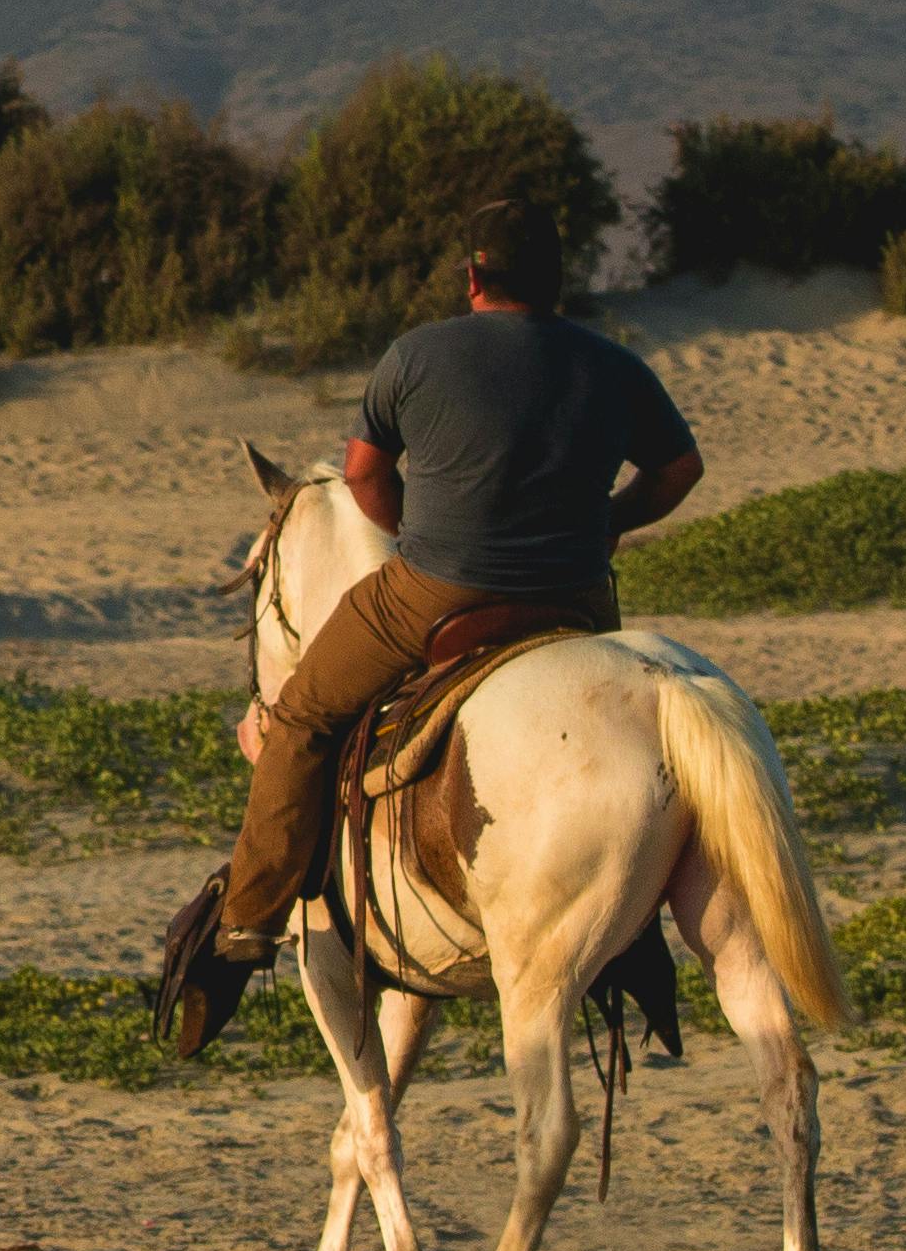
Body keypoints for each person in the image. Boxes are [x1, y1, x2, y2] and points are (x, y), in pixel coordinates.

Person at [160, 196, 704, 1059]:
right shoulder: (612, 364)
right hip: (575, 602)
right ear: (557, 278)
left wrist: (421, 532)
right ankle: (630, 937)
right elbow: (681, 467)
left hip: (436, 590)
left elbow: (363, 475)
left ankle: (251, 919)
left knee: (300, 714)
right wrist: (609, 523)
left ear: (472, 276)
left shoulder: (417, 354)